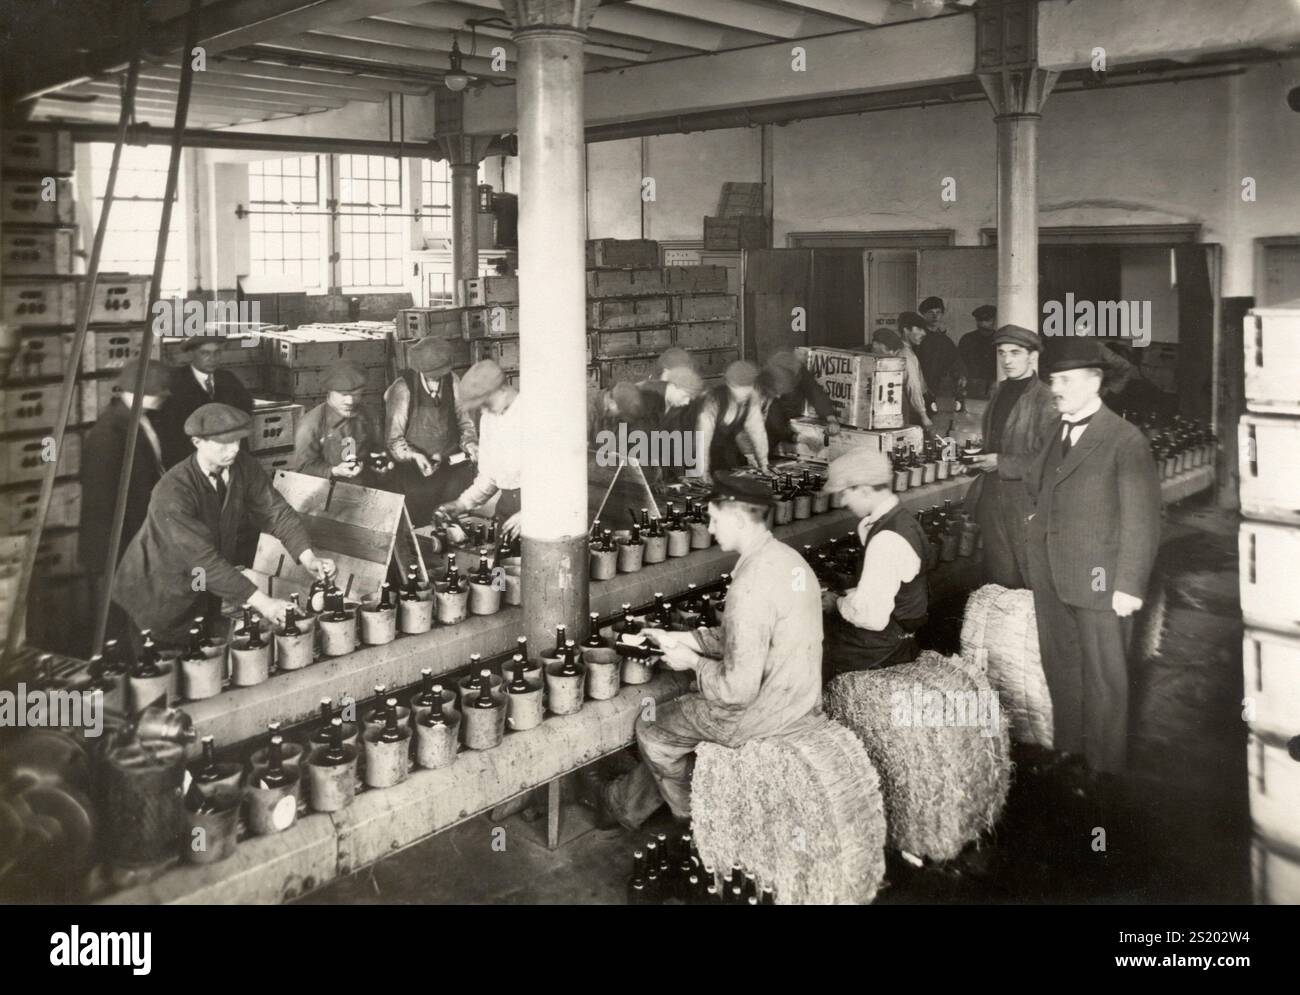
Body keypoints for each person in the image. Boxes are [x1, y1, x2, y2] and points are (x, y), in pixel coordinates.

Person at [588, 473, 824, 831]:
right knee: (679, 716)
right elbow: (747, 636)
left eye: (715, 518)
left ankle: (691, 818)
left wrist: (693, 663)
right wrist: (683, 638)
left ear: (741, 520)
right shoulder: (788, 559)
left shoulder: (749, 587)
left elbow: (738, 692)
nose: (709, 527)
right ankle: (626, 801)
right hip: (800, 696)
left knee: (653, 728)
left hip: (760, 713)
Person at [1024, 338, 1161, 778]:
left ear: (1095, 380)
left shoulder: (1125, 440)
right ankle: (1070, 748)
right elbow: (1046, 491)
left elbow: (1142, 519)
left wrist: (1129, 585)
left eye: (1064, 380)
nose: (1055, 388)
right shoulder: (1055, 430)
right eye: (1052, 380)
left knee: (1104, 674)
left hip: (1101, 579)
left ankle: (1103, 768)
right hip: (1053, 576)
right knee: (1061, 664)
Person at [113, 403, 335, 647]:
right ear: (197, 442)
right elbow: (203, 560)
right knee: (161, 672)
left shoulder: (242, 467)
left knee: (204, 664)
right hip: (159, 595)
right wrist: (265, 603)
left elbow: (276, 513)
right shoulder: (173, 491)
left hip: (203, 588)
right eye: (223, 444)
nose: (233, 450)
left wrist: (308, 558)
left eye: (237, 441)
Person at [79, 359, 170, 644]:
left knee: (133, 615)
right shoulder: (110, 433)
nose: (167, 396)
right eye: (162, 391)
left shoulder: (138, 420)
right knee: (116, 620)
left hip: (132, 541)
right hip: (115, 547)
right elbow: (104, 502)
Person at [819, 449, 929, 678]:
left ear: (865, 490)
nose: (842, 501)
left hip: (886, 641)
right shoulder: (899, 520)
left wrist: (837, 603)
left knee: (811, 650)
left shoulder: (886, 539)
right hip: (898, 628)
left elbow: (872, 618)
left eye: (845, 493)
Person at [964, 325, 1058, 588]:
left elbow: (1052, 459)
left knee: (1032, 576)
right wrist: (977, 458)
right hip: (993, 499)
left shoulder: (1045, 399)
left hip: (1027, 503)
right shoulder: (1000, 390)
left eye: (1015, 353)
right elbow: (999, 440)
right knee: (999, 577)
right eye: (1002, 353)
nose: (1007, 360)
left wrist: (1001, 463)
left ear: (1032, 356)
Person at [384, 337, 479, 524]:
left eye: (440, 372)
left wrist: (471, 445)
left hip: (451, 465)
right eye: (431, 373)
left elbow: (466, 423)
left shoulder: (453, 381)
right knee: (421, 521)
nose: (437, 376)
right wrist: (413, 455)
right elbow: (394, 439)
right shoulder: (403, 388)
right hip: (415, 471)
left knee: (454, 518)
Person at [436, 359, 525, 540]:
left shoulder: (535, 413)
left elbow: (561, 476)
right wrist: (462, 503)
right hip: (508, 507)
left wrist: (531, 514)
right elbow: (489, 475)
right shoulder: (489, 419)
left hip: (544, 511)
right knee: (503, 565)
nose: (483, 411)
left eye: (486, 403)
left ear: (501, 389)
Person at [157, 336, 254, 468]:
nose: (212, 358)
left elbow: (246, 409)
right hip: (191, 462)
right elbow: (170, 432)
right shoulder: (175, 382)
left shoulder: (228, 379)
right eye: (205, 353)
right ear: (191, 354)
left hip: (229, 460)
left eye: (217, 353)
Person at [293, 359, 383, 482]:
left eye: (356, 394)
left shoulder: (371, 415)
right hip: (326, 492)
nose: (350, 401)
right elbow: (302, 468)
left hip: (366, 489)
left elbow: (378, 450)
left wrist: (379, 463)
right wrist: (334, 470)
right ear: (330, 392)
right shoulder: (311, 423)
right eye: (343, 395)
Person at [696, 360, 771, 483]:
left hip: (725, 450)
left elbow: (758, 432)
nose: (744, 393)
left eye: (747, 388)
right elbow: (702, 439)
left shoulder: (751, 398)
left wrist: (763, 463)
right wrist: (703, 470)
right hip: (696, 450)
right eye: (739, 388)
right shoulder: (713, 399)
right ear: (730, 384)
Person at [758, 350, 839, 461]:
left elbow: (814, 391)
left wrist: (830, 417)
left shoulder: (797, 369)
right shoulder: (766, 385)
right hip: (766, 428)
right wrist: (802, 438)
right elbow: (775, 422)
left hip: (789, 415)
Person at [872, 320, 931, 430]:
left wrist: (923, 415)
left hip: (907, 405)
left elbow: (913, 385)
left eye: (889, 352)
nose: (888, 355)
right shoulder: (897, 351)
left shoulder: (904, 357)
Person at [915, 295, 965, 400]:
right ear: (923, 315)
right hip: (921, 389)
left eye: (938, 312)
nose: (935, 316)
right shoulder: (918, 338)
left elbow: (955, 360)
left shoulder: (945, 340)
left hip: (941, 390)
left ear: (942, 314)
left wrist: (961, 375)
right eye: (931, 313)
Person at [586, 381, 648, 447]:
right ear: (613, 403)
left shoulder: (615, 414)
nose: (620, 417)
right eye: (621, 414)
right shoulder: (586, 410)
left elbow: (620, 445)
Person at [958, 304, 998, 399]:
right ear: (977, 321)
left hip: (994, 385)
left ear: (994, 320)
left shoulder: (999, 340)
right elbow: (959, 362)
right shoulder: (967, 339)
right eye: (981, 320)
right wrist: (962, 376)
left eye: (987, 320)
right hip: (973, 385)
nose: (984, 323)